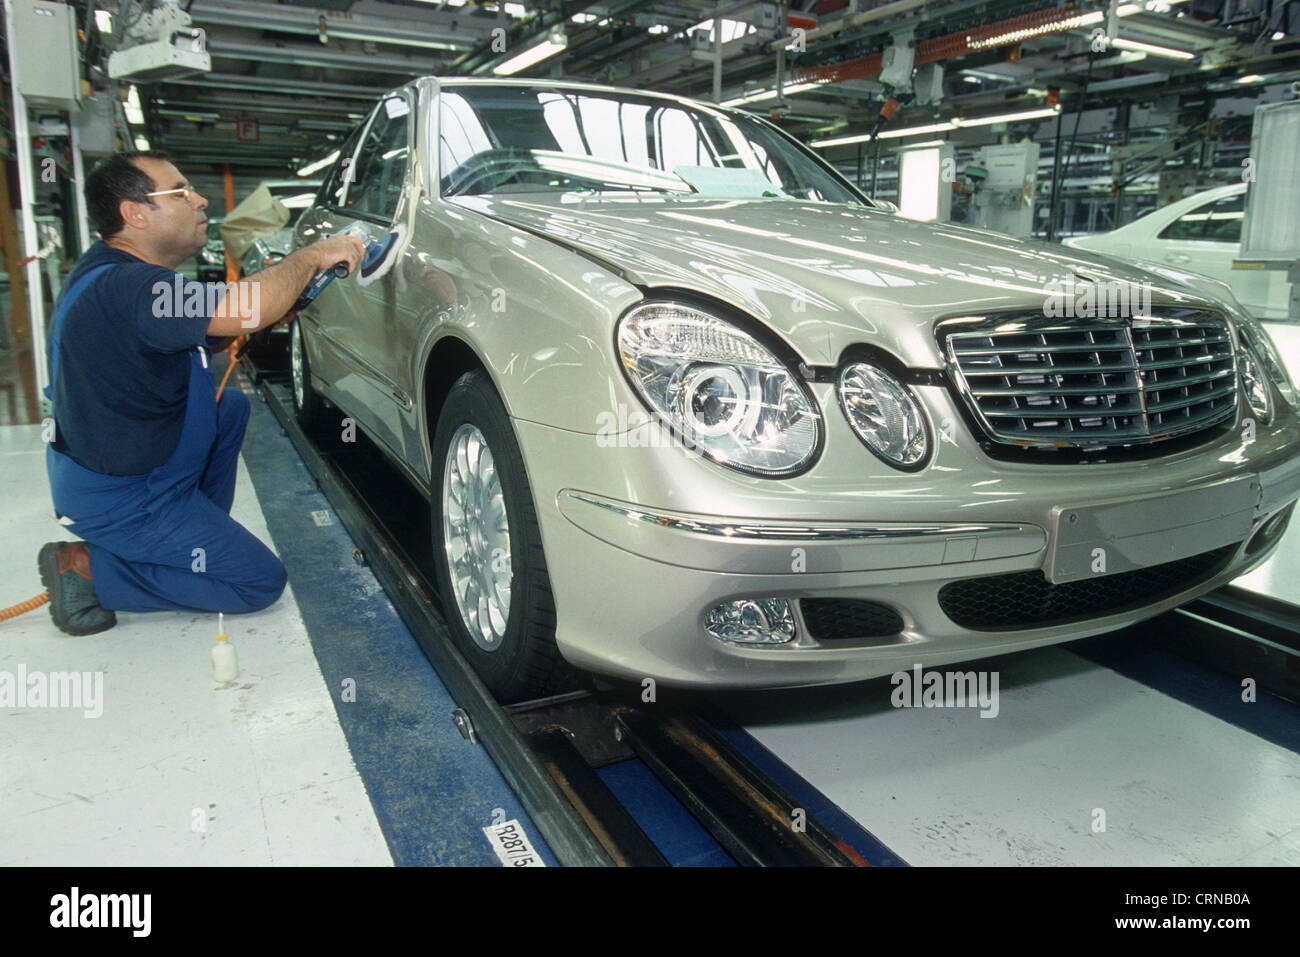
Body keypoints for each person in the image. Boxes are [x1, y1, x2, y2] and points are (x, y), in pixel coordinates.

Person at [38, 150, 364, 635]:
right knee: (256, 582)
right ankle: (87, 570)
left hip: (130, 464)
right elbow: (243, 306)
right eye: (182, 192)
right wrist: (313, 255)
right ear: (135, 213)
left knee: (228, 407)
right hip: (125, 495)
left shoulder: (110, 272)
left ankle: (192, 538)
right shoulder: (130, 287)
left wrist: (256, 313)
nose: (200, 200)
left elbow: (174, 332)